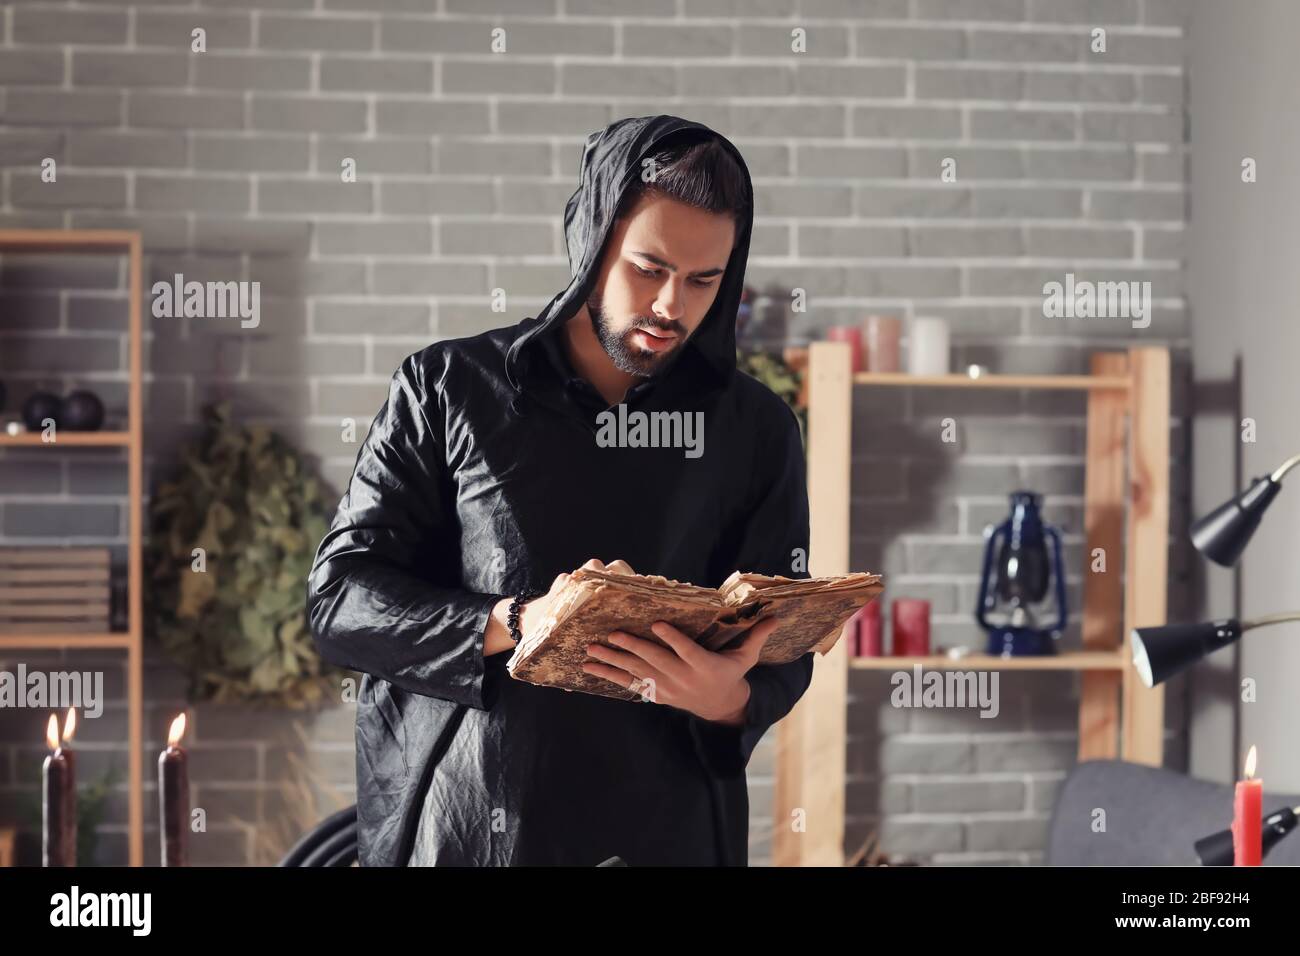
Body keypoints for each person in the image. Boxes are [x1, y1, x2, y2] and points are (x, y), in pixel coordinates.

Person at [306, 114, 814, 866]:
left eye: (704, 279)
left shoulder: (759, 429)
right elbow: (340, 602)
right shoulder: (449, 389)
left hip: (669, 832)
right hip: (469, 825)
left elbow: (781, 648)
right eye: (649, 268)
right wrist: (519, 619)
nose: (673, 306)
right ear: (592, 242)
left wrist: (726, 698)